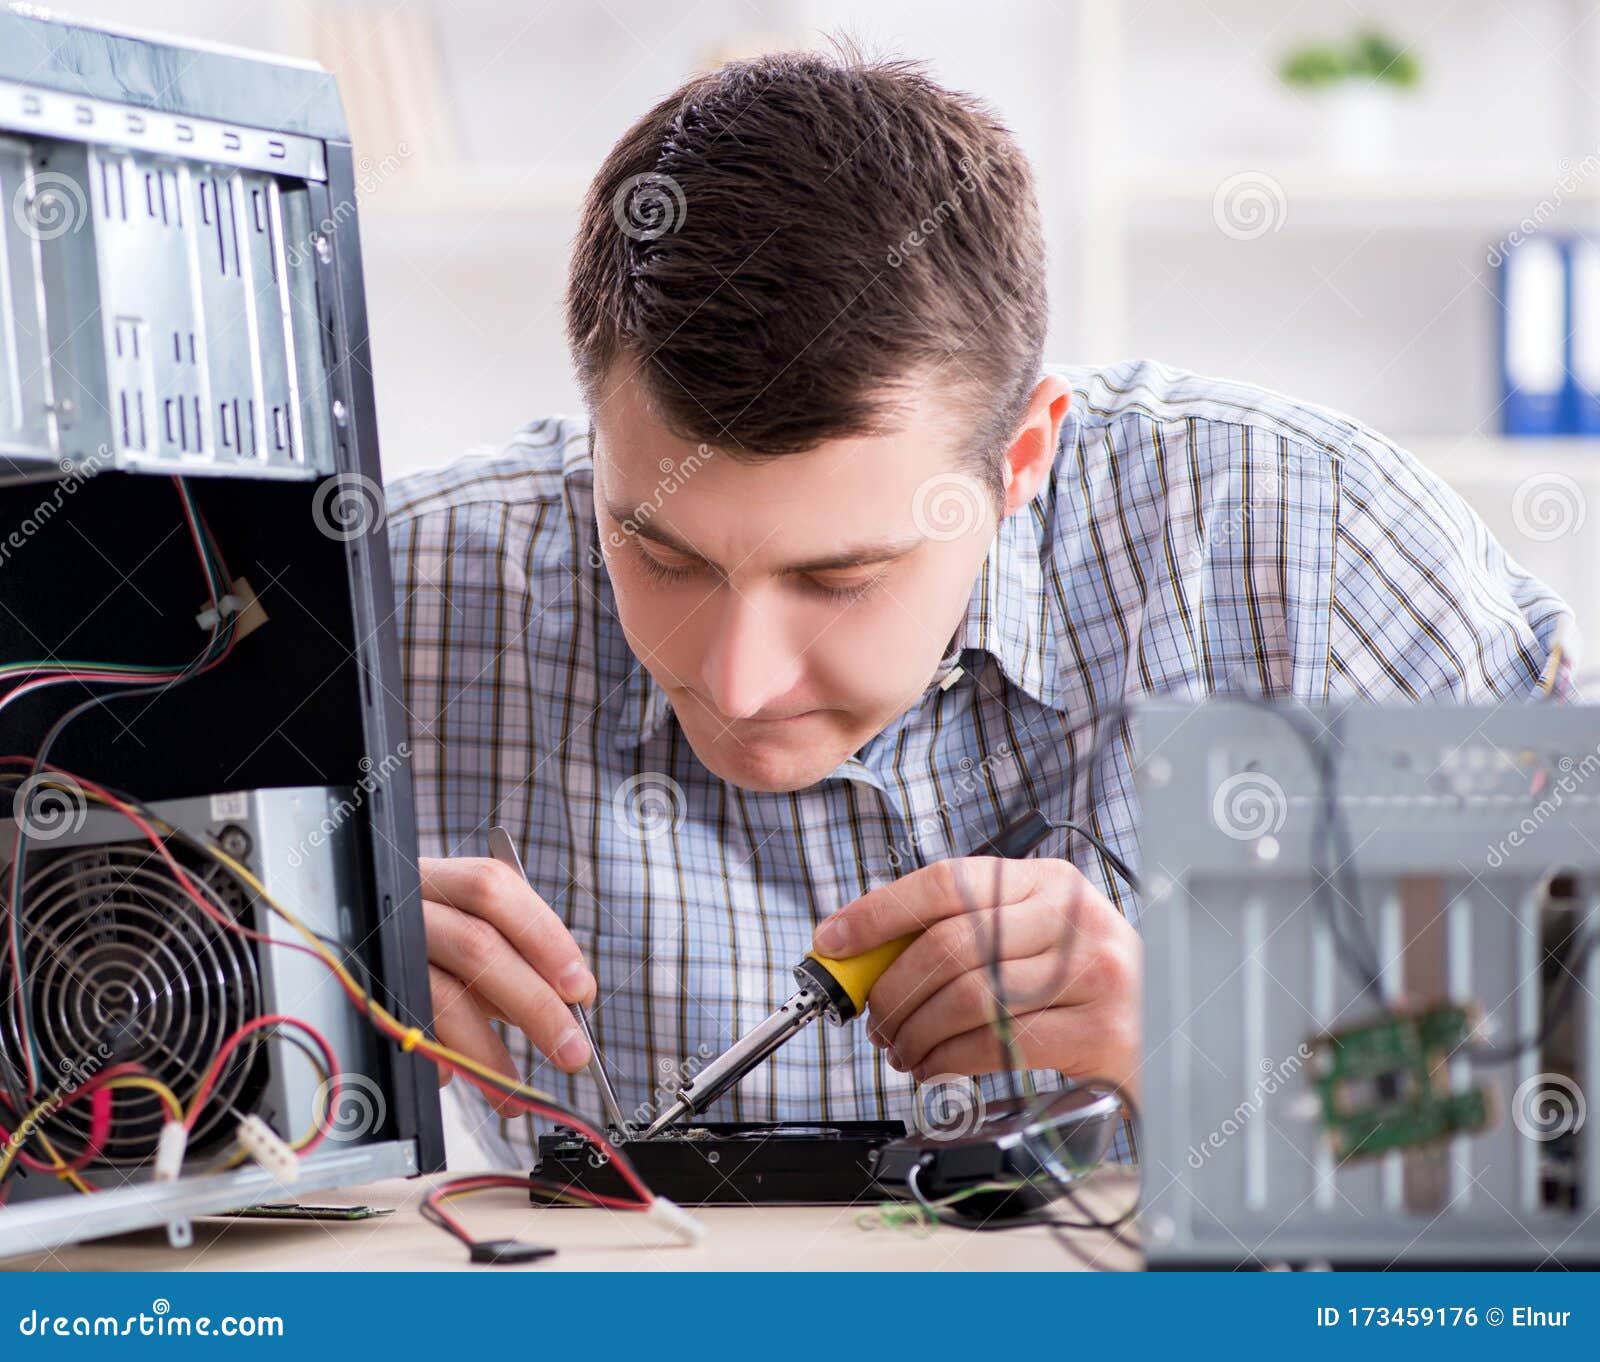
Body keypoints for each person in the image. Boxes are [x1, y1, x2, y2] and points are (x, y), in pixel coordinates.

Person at [384, 44, 1574, 1165]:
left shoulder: (1304, 545)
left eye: (839, 577)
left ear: (1021, 459)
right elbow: (210, 1079)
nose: (739, 681)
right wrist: (274, 990)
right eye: (661, 554)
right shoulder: (406, 588)